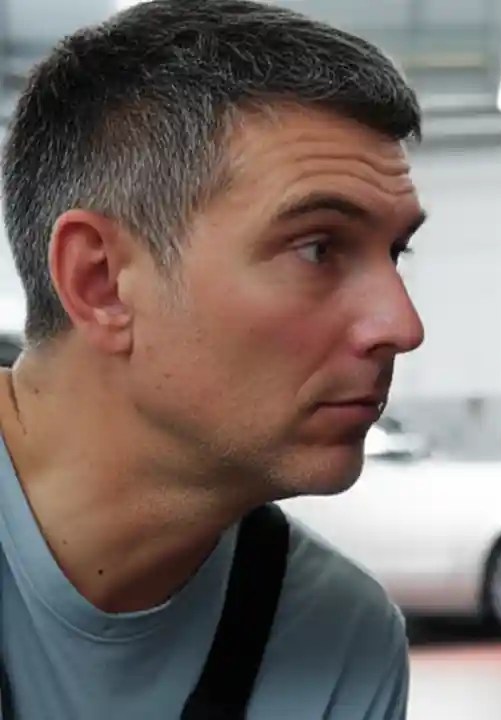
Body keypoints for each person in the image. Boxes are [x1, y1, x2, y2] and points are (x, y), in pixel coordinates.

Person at [0, 0, 427, 717]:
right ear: (100, 282)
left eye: (395, 253)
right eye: (318, 248)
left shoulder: (340, 641)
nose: (402, 325)